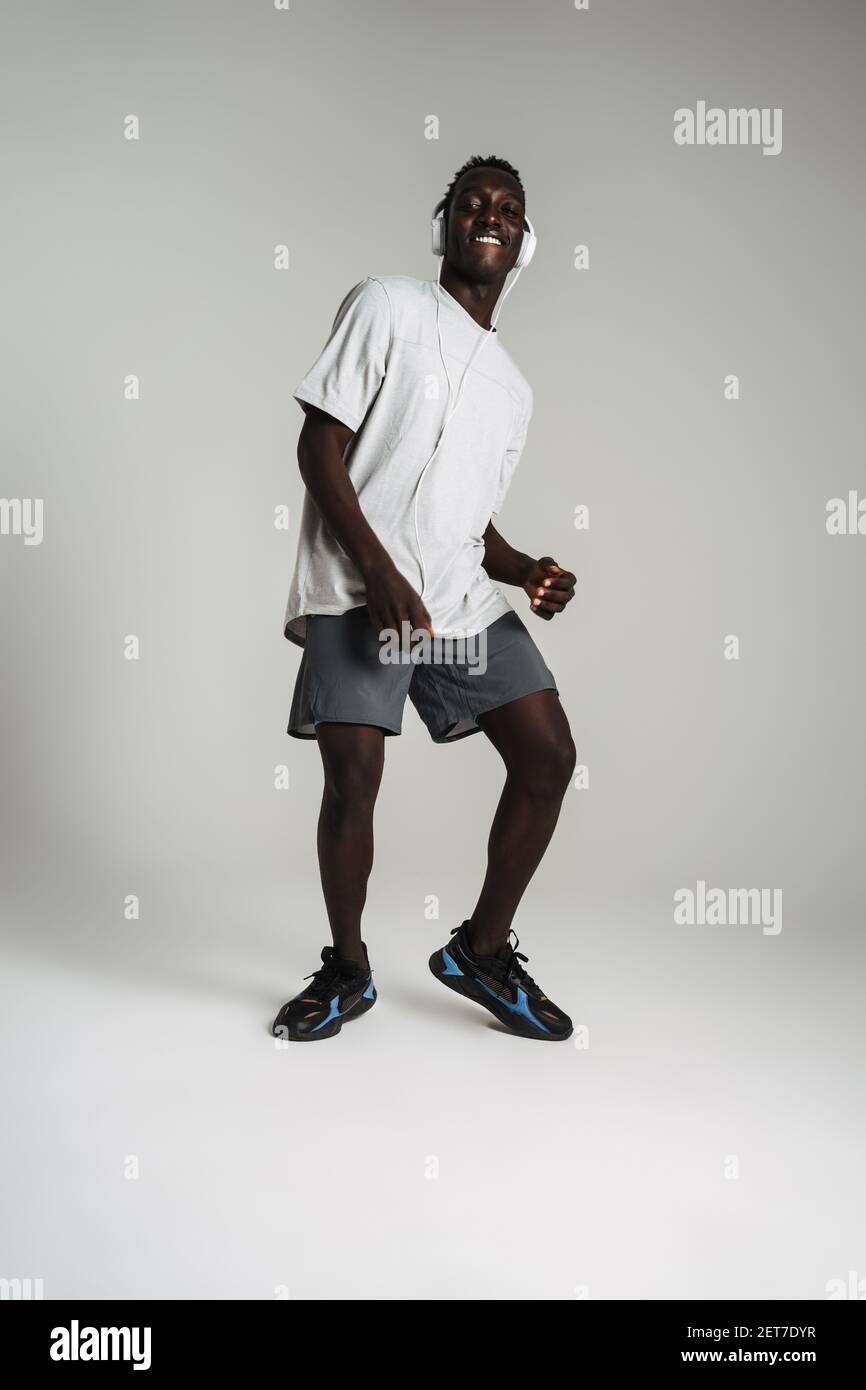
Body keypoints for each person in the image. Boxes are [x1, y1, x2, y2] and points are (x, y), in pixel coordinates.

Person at [273, 155, 578, 1043]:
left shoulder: (513, 389)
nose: (491, 216)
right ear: (445, 222)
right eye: (473, 203)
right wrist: (376, 569)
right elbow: (319, 446)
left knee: (548, 755)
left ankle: (480, 954)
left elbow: (469, 518)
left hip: (454, 603)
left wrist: (522, 569)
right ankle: (347, 969)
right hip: (358, 587)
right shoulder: (387, 306)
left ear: (524, 242)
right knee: (352, 783)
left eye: (509, 210)